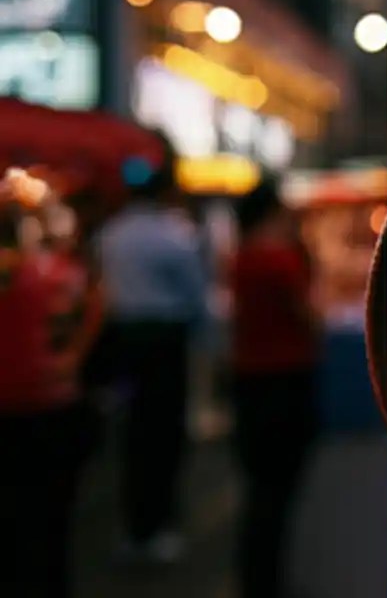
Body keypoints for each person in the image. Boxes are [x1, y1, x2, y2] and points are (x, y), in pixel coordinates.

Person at [97, 154, 206, 562]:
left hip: (126, 340)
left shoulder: (112, 234)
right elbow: (196, 293)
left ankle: (134, 526)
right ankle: (160, 524)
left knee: (133, 437)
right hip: (165, 343)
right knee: (164, 435)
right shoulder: (173, 234)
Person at [0, 172, 99, 597]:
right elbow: (98, 303)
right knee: (50, 524)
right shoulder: (62, 273)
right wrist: (75, 353)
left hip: (21, 412)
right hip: (53, 408)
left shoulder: (31, 275)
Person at [230, 179, 319, 598]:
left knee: (259, 488)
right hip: (284, 379)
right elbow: (309, 315)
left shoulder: (240, 257)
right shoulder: (280, 261)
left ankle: (257, 578)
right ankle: (266, 582)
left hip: (249, 377)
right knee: (277, 491)